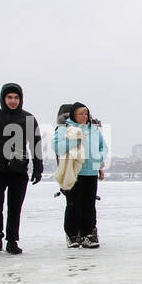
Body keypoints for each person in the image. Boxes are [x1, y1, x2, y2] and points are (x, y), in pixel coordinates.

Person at [0, 82, 43, 254]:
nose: (13, 101)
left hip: (19, 171)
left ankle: (12, 241)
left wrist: (38, 168)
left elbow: (35, 144)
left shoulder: (28, 118)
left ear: (20, 99)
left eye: (16, 97)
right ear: (3, 98)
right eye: (9, 97)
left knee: (15, 208)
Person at [53, 102, 107, 248]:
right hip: (73, 172)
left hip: (90, 172)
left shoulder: (94, 130)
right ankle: (72, 234)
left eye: (86, 114)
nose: (84, 116)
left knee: (89, 205)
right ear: (73, 115)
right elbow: (58, 148)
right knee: (73, 205)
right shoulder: (65, 129)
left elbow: (101, 147)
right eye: (80, 114)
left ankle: (87, 234)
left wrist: (100, 163)